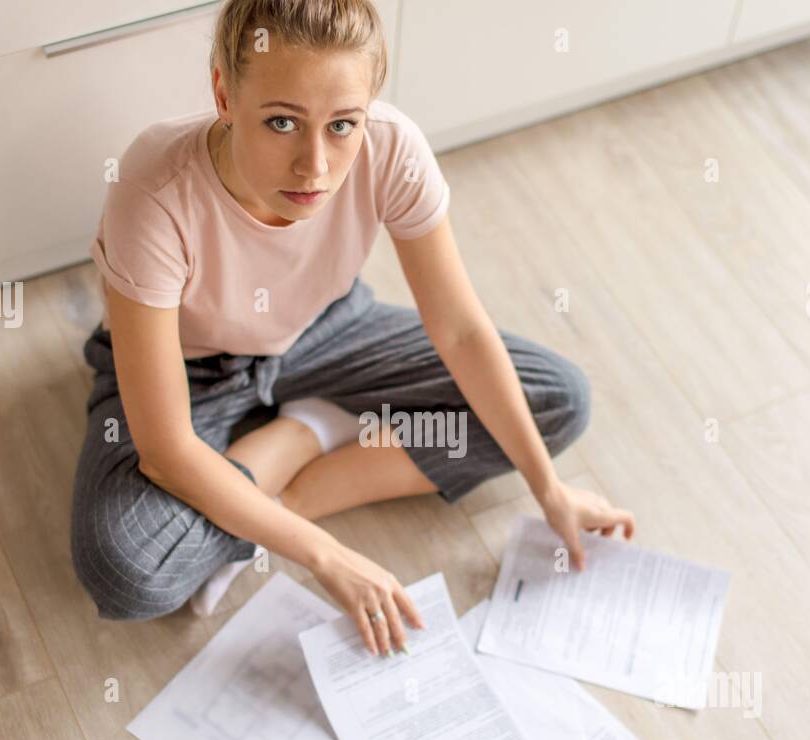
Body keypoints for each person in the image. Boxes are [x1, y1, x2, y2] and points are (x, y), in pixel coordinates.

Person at [70, 0, 636, 656]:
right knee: (126, 572)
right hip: (192, 365)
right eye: (282, 122)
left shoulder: (392, 147)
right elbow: (165, 450)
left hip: (325, 328)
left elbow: (461, 333)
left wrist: (550, 491)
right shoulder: (155, 186)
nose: (314, 165)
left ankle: (301, 456)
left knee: (559, 400)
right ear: (224, 93)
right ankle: (307, 436)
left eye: (342, 124)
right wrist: (326, 557)